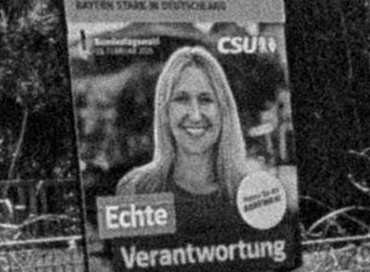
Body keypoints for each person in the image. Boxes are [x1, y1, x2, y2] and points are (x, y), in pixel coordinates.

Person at [112, 43, 276, 234]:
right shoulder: (135, 190)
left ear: (224, 111)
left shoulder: (254, 194)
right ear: (165, 111)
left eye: (206, 99)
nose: (195, 115)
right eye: (181, 99)